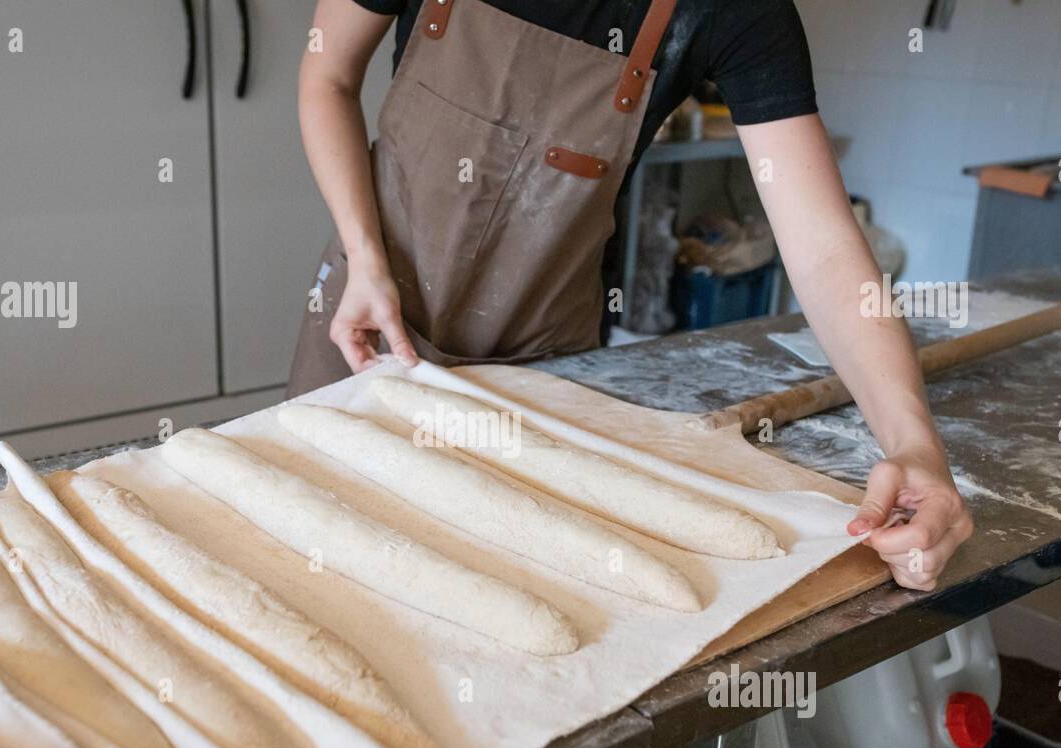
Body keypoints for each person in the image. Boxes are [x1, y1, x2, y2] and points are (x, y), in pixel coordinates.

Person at [290, 0, 973, 590]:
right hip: (368, 321)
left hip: (542, 368)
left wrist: (915, 446)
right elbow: (328, 76)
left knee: (511, 579)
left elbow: (824, 248)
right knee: (315, 554)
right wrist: (364, 252)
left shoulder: (734, 12)